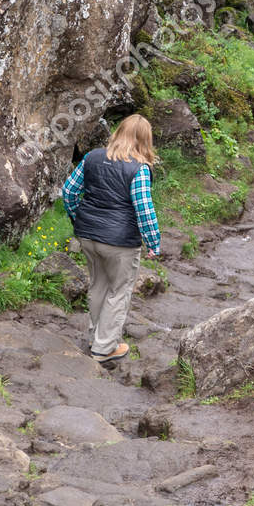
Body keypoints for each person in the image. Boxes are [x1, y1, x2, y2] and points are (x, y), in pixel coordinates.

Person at [61, 115, 161, 362]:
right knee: (119, 291)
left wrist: (78, 218)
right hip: (119, 242)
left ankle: (96, 338)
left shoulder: (92, 156)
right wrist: (153, 242)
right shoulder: (139, 168)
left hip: (88, 235)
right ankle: (104, 349)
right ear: (145, 140)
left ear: (119, 132)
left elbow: (69, 191)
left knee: (98, 286)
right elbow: (144, 208)